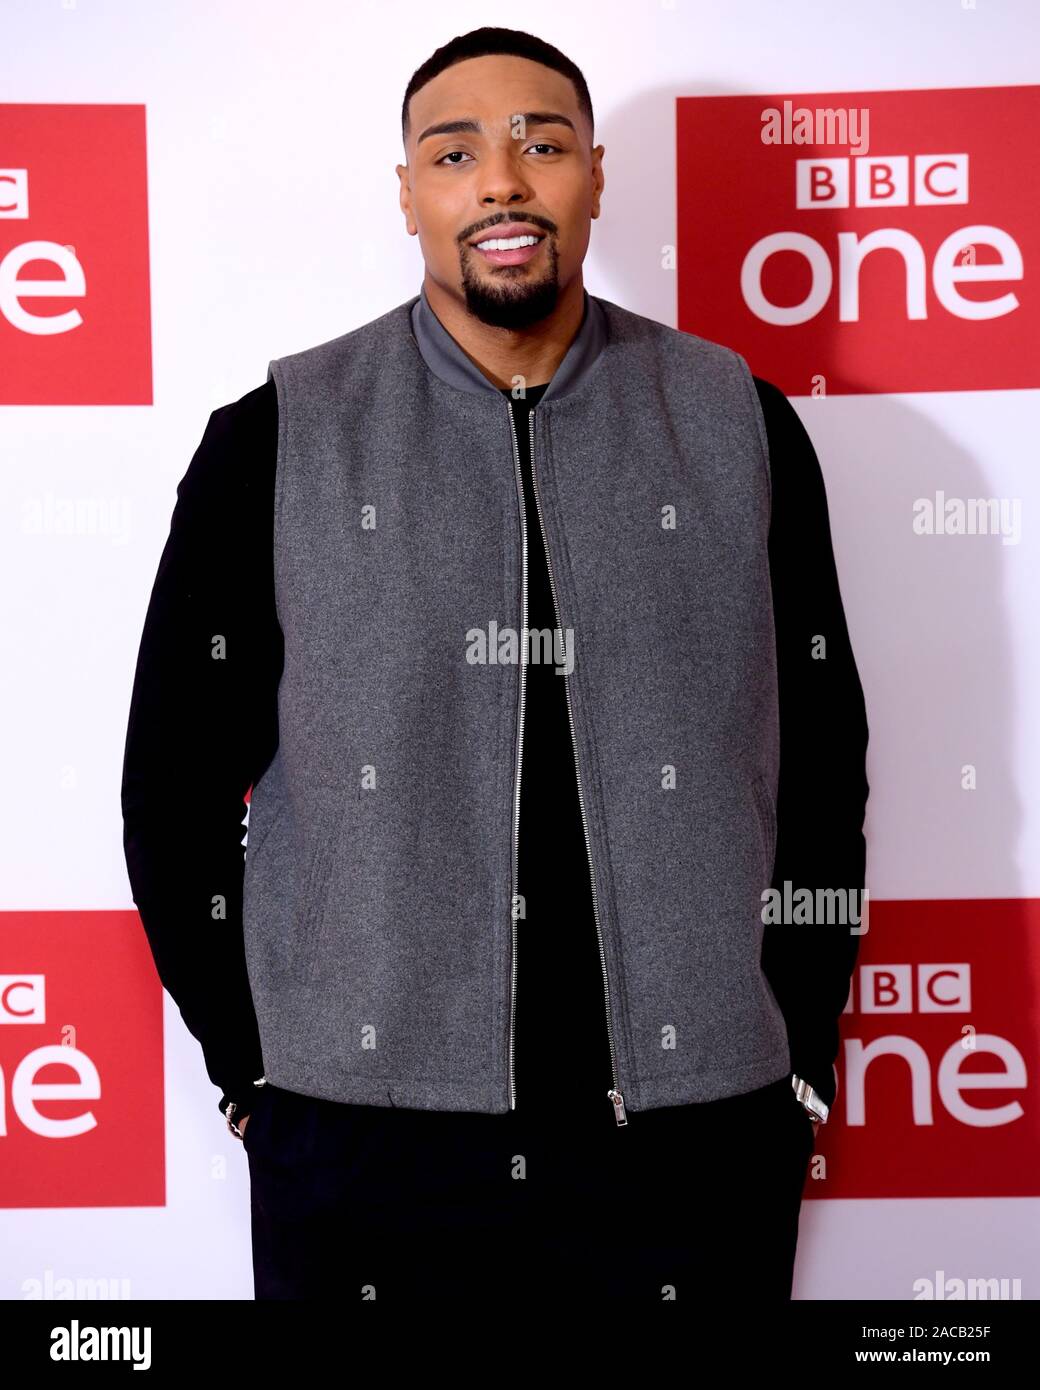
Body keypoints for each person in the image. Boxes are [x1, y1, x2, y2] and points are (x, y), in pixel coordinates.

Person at [121, 26, 869, 1303]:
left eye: (541, 142)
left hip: (690, 1141)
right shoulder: (279, 438)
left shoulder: (735, 421)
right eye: (454, 151)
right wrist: (257, 1079)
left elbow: (819, 762)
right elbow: (173, 787)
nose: (502, 180)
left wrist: (789, 1064)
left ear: (592, 177)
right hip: (365, 1144)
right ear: (408, 194)